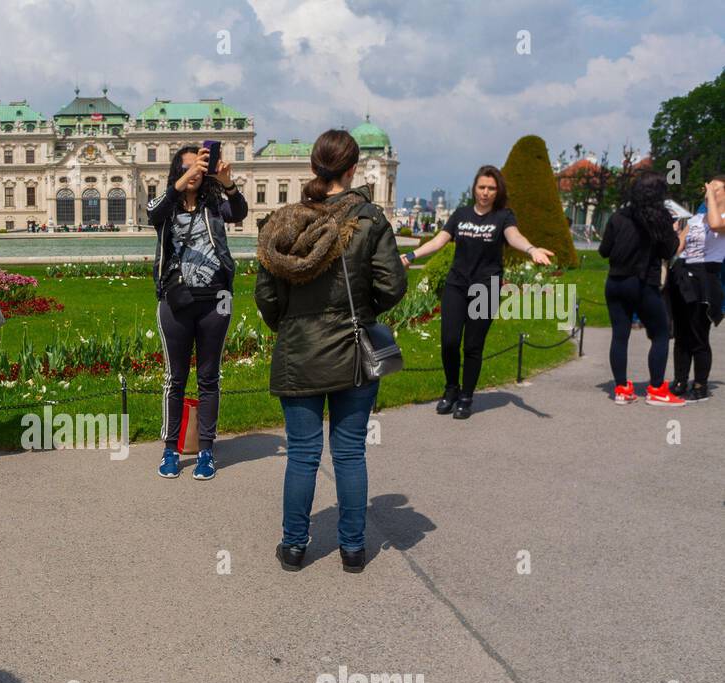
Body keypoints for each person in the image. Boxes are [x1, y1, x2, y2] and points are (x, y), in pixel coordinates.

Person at [255, 129, 407, 573]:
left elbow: (266, 294)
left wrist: (288, 325)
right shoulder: (369, 220)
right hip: (352, 352)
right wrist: (361, 311)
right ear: (353, 168)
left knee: (302, 455)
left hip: (298, 352)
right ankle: (353, 550)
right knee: (349, 453)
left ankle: (295, 548)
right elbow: (392, 286)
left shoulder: (283, 220)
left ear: (312, 167)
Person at [403, 165, 554, 418]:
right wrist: (409, 255)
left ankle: (465, 397)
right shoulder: (461, 214)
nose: (485, 192)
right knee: (450, 341)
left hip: (486, 287)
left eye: (491, 188)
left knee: (473, 345)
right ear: (474, 188)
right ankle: (451, 389)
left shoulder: (504, 216)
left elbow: (514, 236)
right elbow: (439, 241)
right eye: (482, 187)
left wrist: (531, 249)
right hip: (457, 285)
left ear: (498, 191)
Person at [147, 143, 248, 480]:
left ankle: (206, 449)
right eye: (187, 168)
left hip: (215, 300)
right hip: (175, 301)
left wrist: (227, 181)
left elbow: (241, 211)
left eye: (198, 168)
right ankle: (170, 449)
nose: (194, 173)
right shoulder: (166, 205)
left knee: (208, 378)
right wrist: (180, 183)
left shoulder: (215, 205)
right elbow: (151, 214)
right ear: (178, 171)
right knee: (175, 379)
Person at [595, 170, 683, 405]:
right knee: (661, 333)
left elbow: (604, 251)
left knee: (620, 335)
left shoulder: (618, 216)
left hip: (615, 282)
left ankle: (622, 389)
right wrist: (676, 234)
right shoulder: (660, 218)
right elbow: (669, 251)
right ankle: (656, 389)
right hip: (643, 282)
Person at [669, 176, 725, 401]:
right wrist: (671, 233)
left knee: (699, 333)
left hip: (706, 275)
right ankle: (680, 379)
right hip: (684, 273)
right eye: (709, 187)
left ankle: (700, 384)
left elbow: (714, 225)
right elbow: (678, 247)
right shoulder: (695, 219)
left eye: (717, 188)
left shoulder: (719, 217)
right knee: (682, 333)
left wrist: (711, 196)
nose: (710, 190)